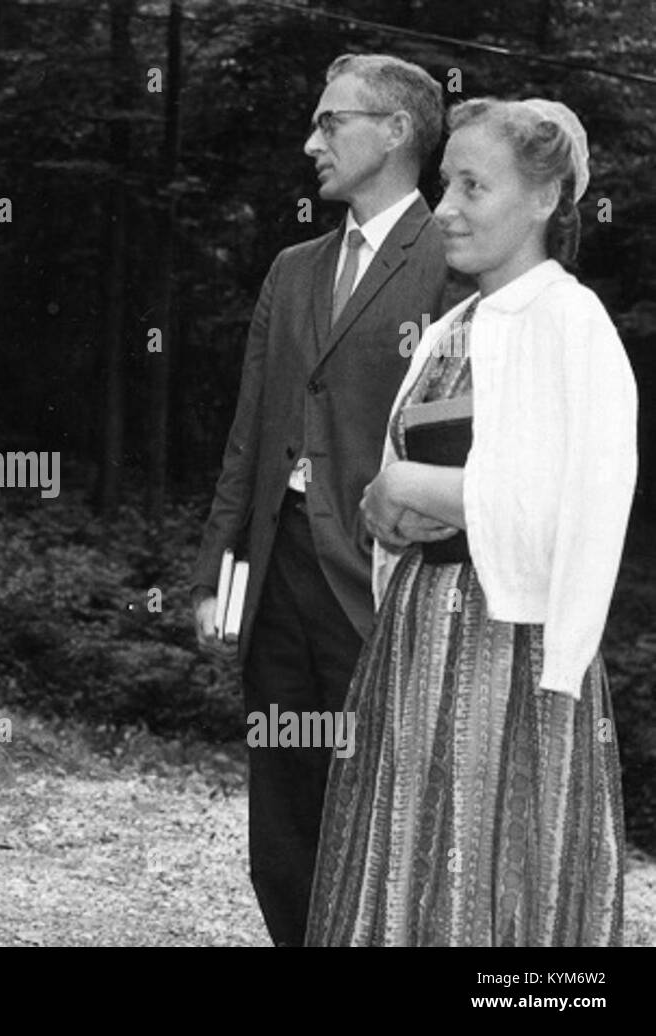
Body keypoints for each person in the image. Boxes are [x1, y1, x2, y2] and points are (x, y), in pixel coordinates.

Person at [307, 98, 636, 946]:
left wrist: (420, 483)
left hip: (514, 651)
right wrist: (385, 506)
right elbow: (388, 485)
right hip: (419, 639)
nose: (445, 206)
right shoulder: (451, 328)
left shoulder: (572, 323)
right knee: (406, 863)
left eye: (472, 186)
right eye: (446, 181)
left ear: (543, 199)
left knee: (497, 872)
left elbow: (580, 500)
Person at [189, 54, 458, 947]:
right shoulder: (293, 269)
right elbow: (248, 440)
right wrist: (220, 580)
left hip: (381, 588)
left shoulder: (452, 267)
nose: (312, 142)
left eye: (331, 121)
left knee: (381, 822)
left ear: (396, 132)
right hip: (277, 586)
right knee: (284, 832)